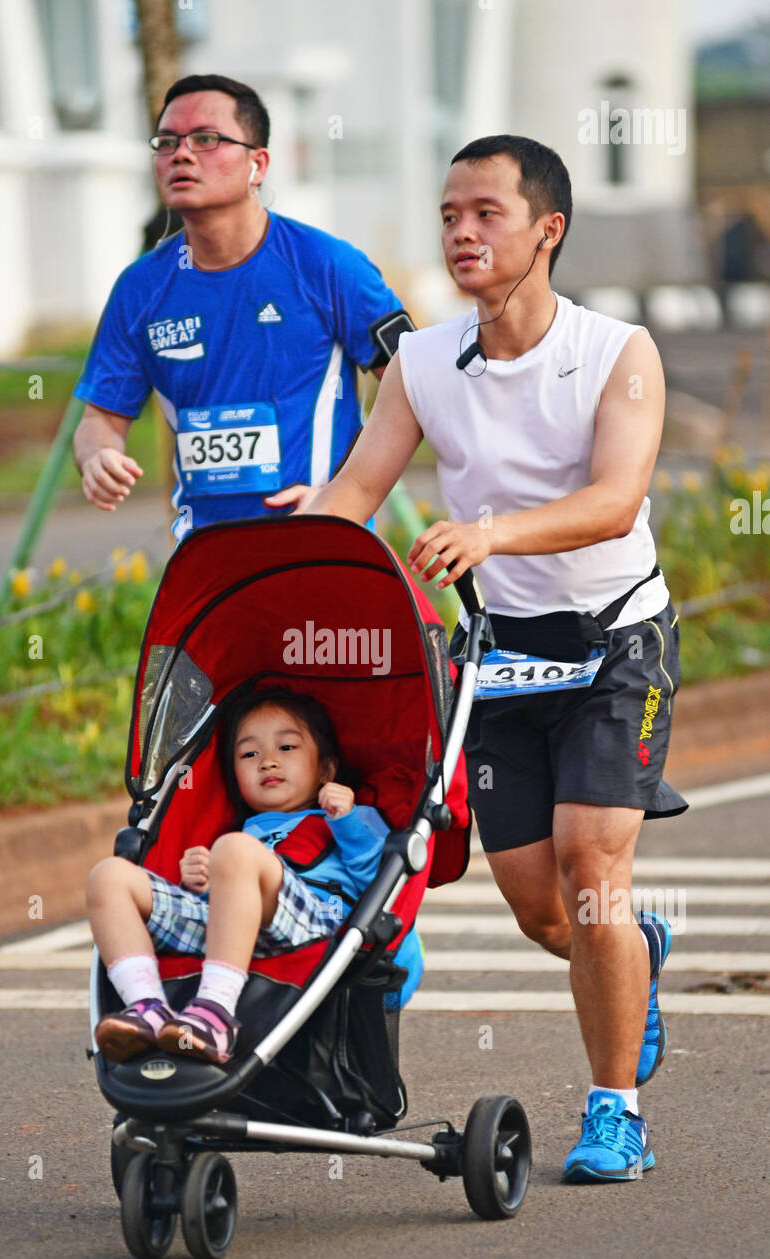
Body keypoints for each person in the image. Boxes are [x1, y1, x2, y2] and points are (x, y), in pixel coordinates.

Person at [268, 135, 688, 1183]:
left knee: (592, 865)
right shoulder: (421, 363)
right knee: (546, 907)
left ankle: (614, 1113)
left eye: (486, 213)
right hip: (499, 659)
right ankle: (634, 954)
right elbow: (358, 487)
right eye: (450, 213)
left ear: (546, 229)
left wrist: (491, 534)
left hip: (614, 640)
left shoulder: (617, 350)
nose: (461, 231)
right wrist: (295, 537)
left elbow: (616, 500)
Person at [72, 73, 411, 541]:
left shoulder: (328, 266)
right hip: (205, 558)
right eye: (166, 141)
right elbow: (100, 420)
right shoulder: (140, 289)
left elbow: (415, 391)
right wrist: (97, 456)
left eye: (206, 139)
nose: (182, 154)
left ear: (259, 163)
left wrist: (343, 496)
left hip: (323, 544)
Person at [89, 687, 389, 1066]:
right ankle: (147, 1009)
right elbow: (227, 901)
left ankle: (214, 1013)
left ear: (325, 769)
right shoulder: (240, 833)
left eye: (287, 748)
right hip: (233, 933)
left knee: (233, 851)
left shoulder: (351, 819)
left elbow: (379, 882)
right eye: (250, 754)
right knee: (109, 877)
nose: (268, 762)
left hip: (316, 926)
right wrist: (197, 886)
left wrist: (345, 821)